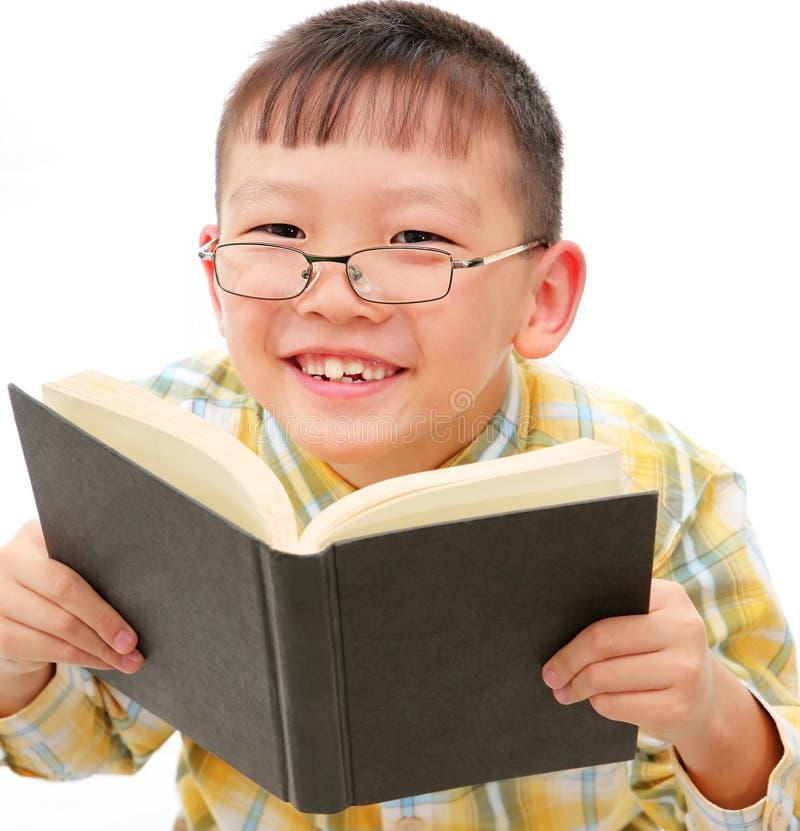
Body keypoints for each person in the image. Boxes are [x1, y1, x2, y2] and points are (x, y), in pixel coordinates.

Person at [1, 2, 798, 829]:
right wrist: (18, 651)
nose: (335, 297)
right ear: (217, 274)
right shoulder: (161, 454)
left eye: (416, 236)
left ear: (541, 297)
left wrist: (710, 713)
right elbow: (85, 742)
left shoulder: (662, 485)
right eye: (279, 230)